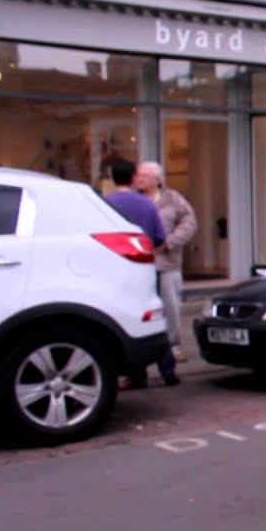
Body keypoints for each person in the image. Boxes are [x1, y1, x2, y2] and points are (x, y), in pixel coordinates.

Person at [105, 159, 176, 389]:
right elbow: (159, 237)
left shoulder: (105, 204)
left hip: (117, 270)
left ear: (111, 177)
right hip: (146, 268)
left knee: (126, 319)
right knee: (154, 316)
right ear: (134, 177)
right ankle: (168, 370)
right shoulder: (147, 205)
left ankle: (136, 375)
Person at [135, 162, 198, 365]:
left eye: (144, 175)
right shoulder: (136, 199)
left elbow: (189, 222)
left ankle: (174, 346)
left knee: (170, 307)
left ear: (157, 179)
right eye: (138, 175)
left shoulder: (172, 199)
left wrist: (169, 242)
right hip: (140, 264)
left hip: (167, 263)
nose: (139, 179)